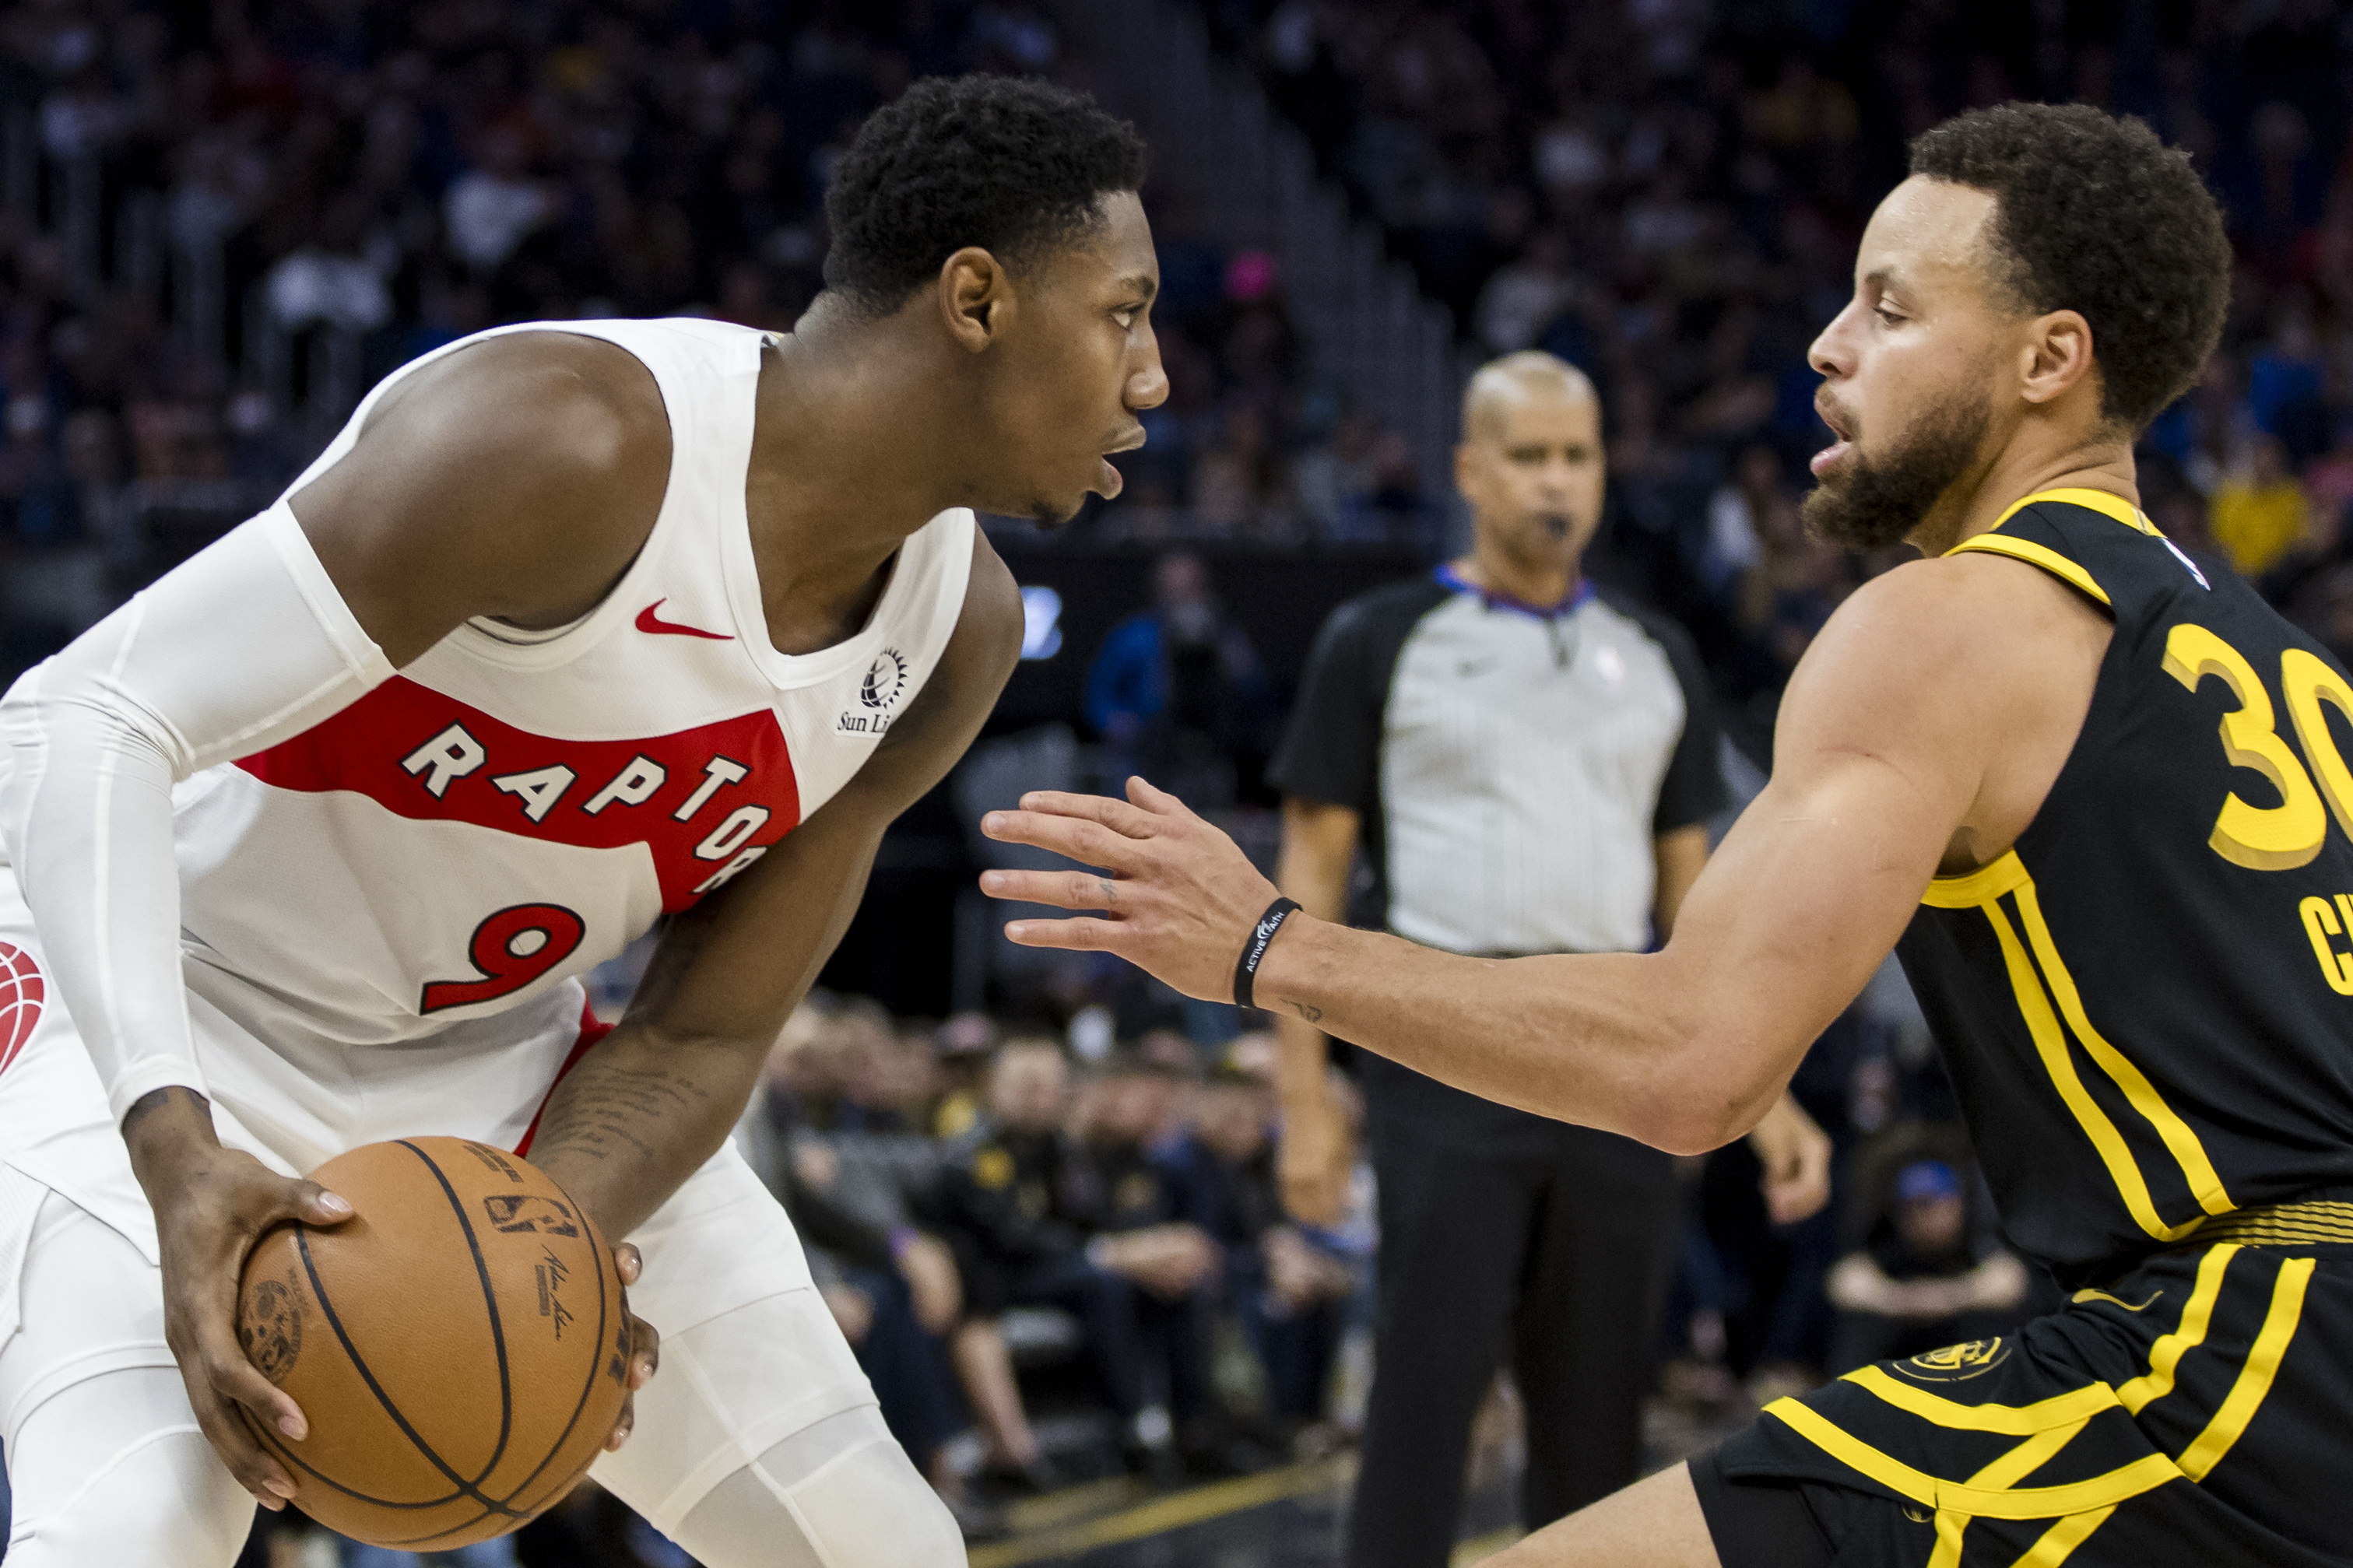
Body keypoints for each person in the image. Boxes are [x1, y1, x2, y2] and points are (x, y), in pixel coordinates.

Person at [980, 103, 2353, 1566]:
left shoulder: (1949, 619)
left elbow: (1695, 1056)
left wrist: (1266, 949)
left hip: (2246, 1351)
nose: (1826, 347)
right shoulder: (2280, 659)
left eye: (1888, 309)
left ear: (2049, 361)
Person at [0, 74, 1168, 1568]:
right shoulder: (567, 442)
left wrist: (541, 1251)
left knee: (881, 1549)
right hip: (163, 1012)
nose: (1153, 377)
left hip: (489, 1062)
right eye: (1124, 313)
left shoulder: (954, 636)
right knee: (137, 1533)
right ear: (976, 299)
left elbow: (700, 1032)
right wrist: (170, 1143)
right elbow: (75, 716)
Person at [1265, 349, 1834, 1568]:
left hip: (1620, 1065)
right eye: (1528, 456)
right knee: (1423, 1408)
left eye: (1576, 455)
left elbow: (1701, 906)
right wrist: (1304, 1101)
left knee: (1596, 1428)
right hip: (1441, 1057)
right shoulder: (1382, 638)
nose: (1556, 481)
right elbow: (1307, 882)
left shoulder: (1655, 653)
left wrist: (1767, 1090)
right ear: (1471, 470)